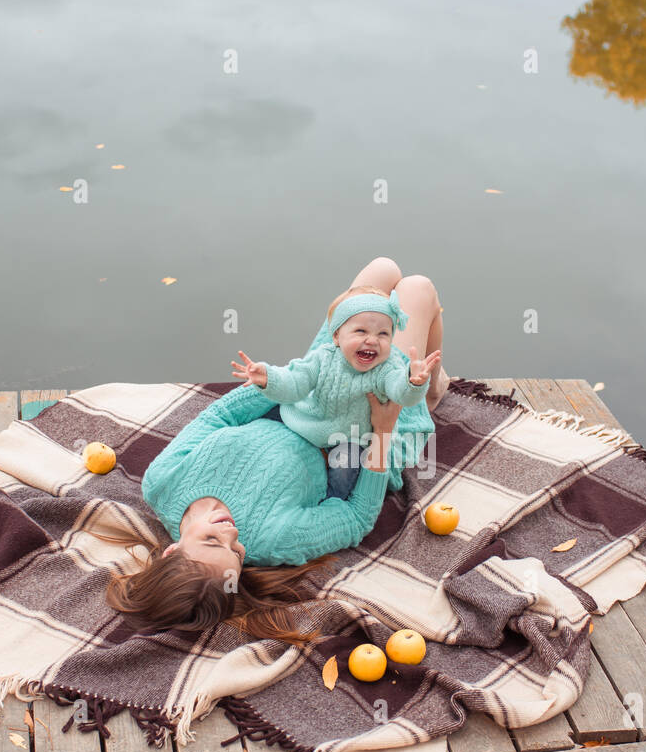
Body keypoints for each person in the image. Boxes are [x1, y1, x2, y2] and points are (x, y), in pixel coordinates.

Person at [104, 258, 449, 642]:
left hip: (311, 404)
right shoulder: (271, 539)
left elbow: (221, 416)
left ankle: (430, 384)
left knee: (381, 272)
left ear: (171, 551)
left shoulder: (161, 483)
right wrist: (384, 430)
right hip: (362, 436)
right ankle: (427, 392)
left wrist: (286, 383)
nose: (231, 534)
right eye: (236, 553)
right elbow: (357, 517)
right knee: (417, 289)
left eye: (212, 541)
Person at [229, 285, 441, 500]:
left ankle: (332, 499)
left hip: (352, 438)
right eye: (361, 331)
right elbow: (295, 382)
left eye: (383, 334)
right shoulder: (323, 357)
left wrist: (413, 382)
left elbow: (401, 393)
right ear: (337, 336)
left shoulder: (386, 367)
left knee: (345, 467)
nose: (372, 340)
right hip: (312, 421)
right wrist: (268, 378)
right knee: (269, 414)